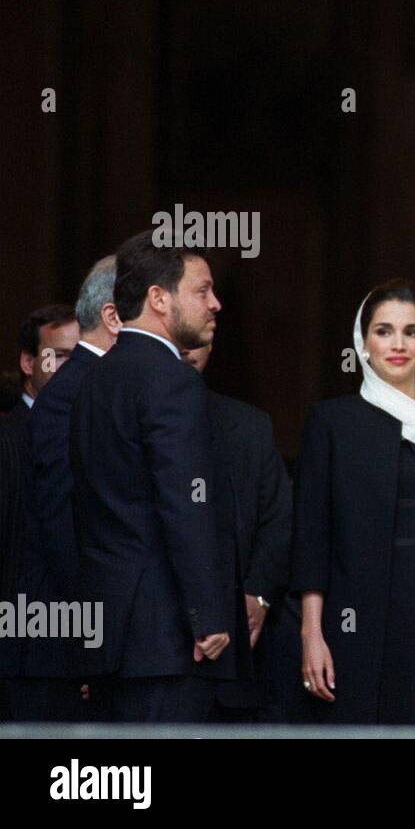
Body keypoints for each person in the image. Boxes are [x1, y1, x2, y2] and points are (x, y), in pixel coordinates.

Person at [292, 279, 415, 731]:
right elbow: (312, 538)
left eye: (412, 332)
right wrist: (311, 635)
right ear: (363, 342)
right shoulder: (333, 421)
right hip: (354, 619)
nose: (398, 345)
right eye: (384, 331)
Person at [69, 231, 234, 722]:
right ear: (159, 299)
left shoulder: (93, 377)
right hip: (164, 636)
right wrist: (206, 615)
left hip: (106, 635)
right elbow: (184, 502)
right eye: (202, 290)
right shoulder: (172, 378)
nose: (215, 304)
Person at [10, 258, 119, 722]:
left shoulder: (92, 406)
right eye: (59, 355)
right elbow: (58, 528)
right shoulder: (43, 416)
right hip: (43, 642)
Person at [181, 342, 292, 722]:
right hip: (152, 654)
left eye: (196, 338)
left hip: (238, 657)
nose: (186, 348)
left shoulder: (249, 425)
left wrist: (258, 595)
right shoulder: (123, 417)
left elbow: (279, 518)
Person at [0, 303, 79, 719]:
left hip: (81, 647)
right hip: (21, 652)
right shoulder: (7, 440)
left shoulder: (92, 435)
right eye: (59, 355)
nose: (72, 368)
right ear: (28, 363)